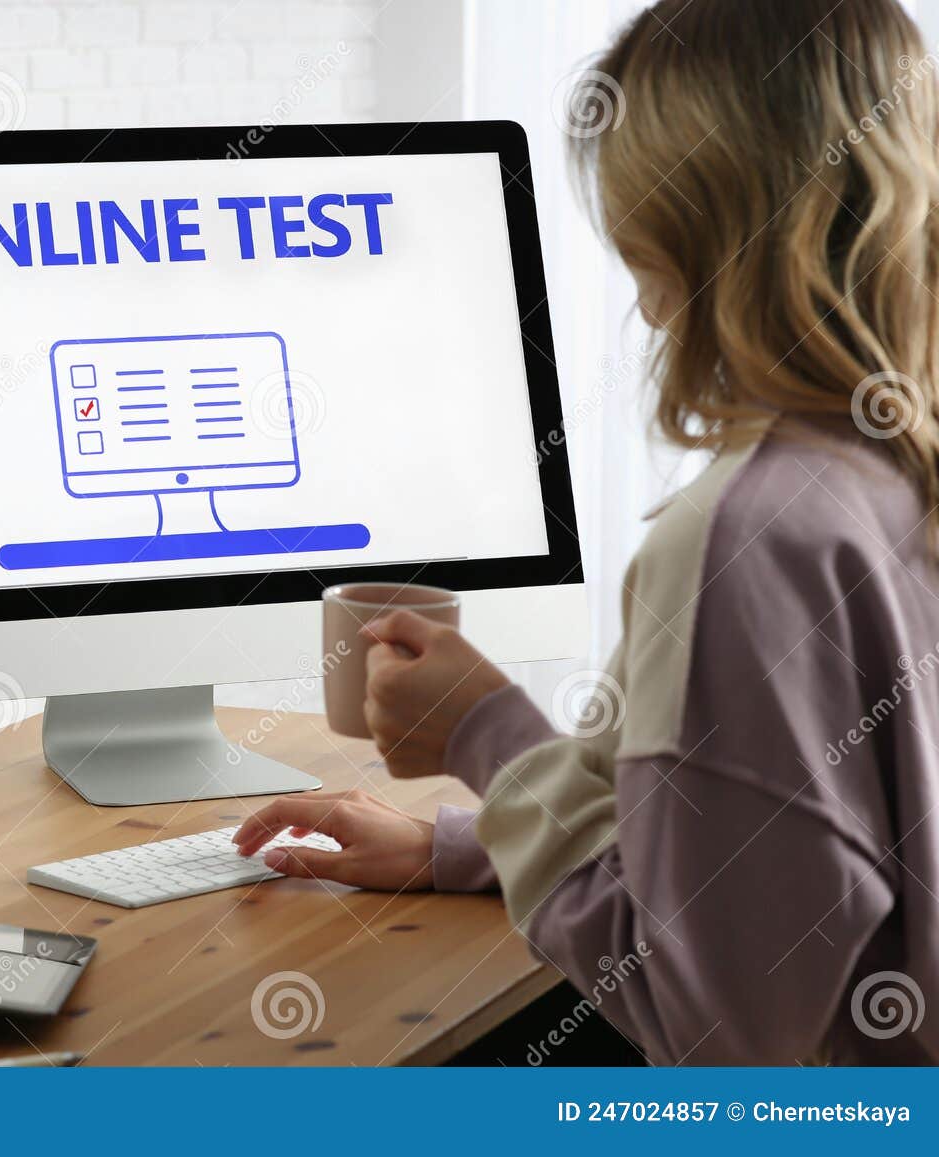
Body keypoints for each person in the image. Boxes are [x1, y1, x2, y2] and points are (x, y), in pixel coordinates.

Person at [235, 0, 939, 1065]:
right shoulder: (892, 469)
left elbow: (721, 1042)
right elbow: (772, 860)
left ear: (685, 239)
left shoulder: (748, 544)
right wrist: (459, 842)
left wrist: (483, 734)